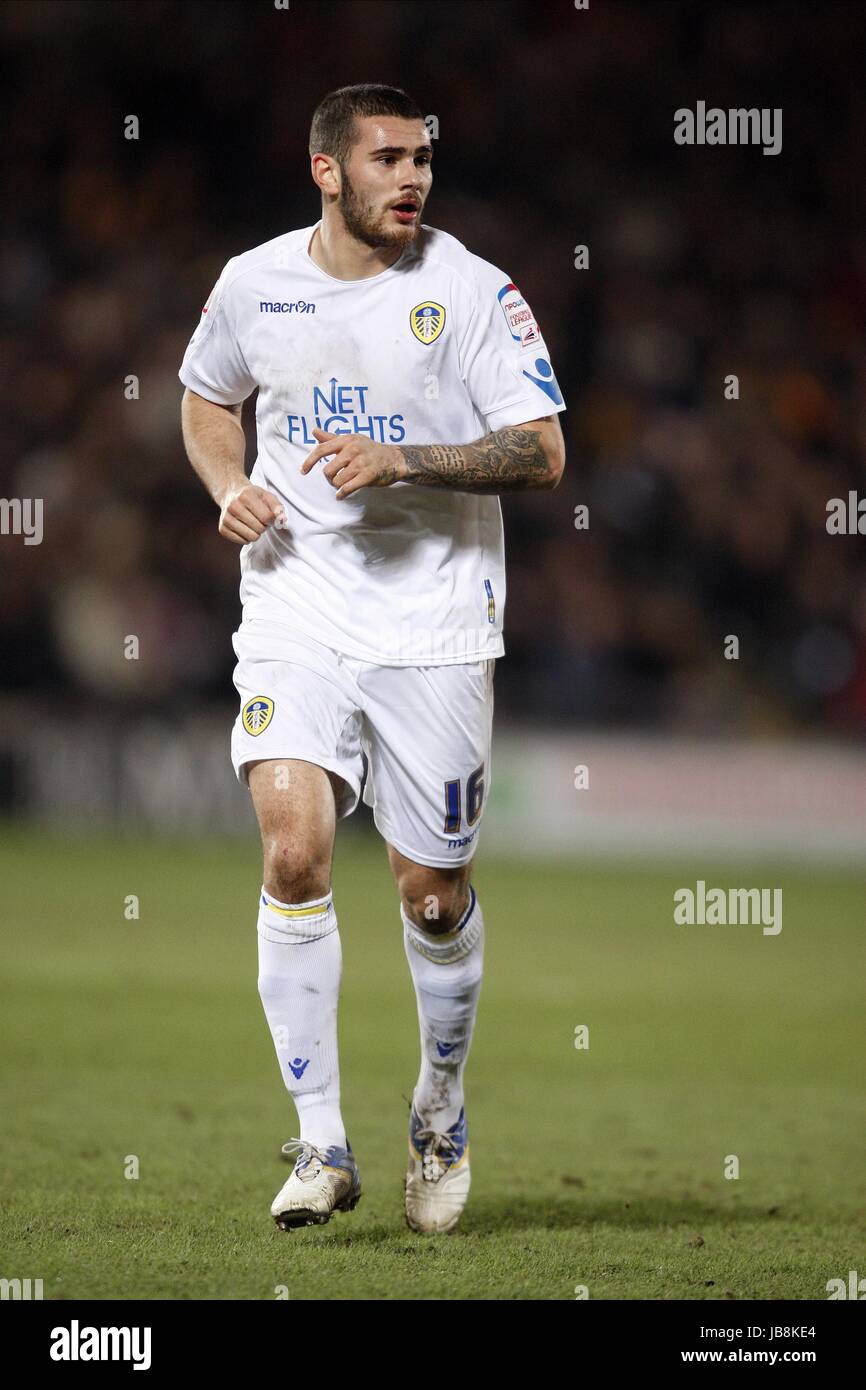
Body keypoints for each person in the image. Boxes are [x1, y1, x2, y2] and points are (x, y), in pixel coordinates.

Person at [178, 83, 566, 1234]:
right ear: (325, 169)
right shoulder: (253, 284)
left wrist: (406, 461)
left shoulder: (473, 291)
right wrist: (228, 485)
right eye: (388, 159)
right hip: (296, 603)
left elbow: (542, 453)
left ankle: (438, 1107)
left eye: (423, 160)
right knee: (293, 851)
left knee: (429, 894)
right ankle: (319, 1141)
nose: (413, 180)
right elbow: (206, 403)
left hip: (434, 625)